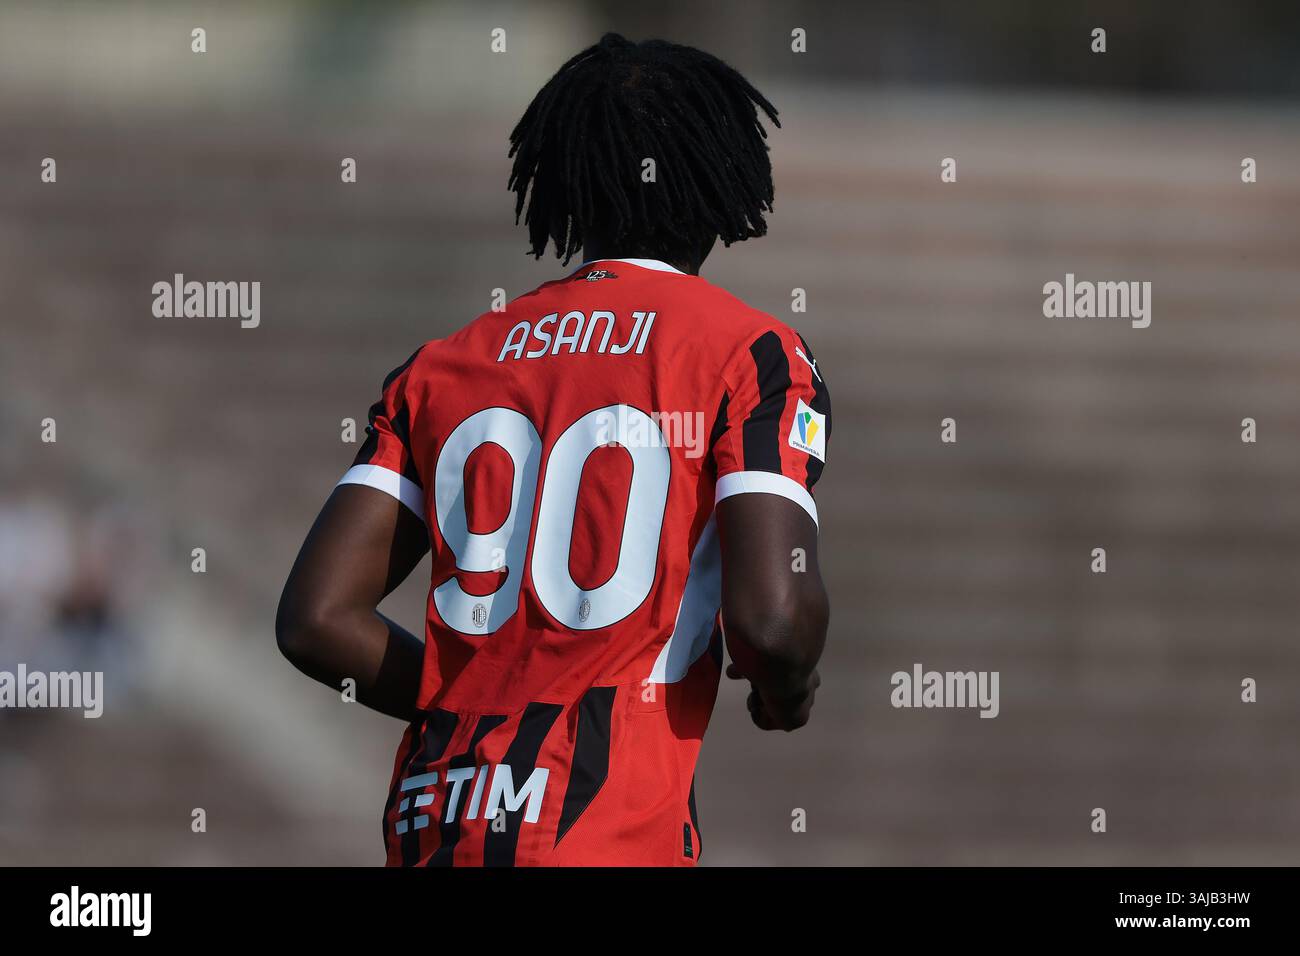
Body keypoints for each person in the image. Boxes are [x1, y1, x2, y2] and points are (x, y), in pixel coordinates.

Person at [277, 33, 830, 866]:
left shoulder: (445, 364)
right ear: (725, 182)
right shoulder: (748, 353)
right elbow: (774, 622)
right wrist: (788, 692)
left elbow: (317, 619)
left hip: (439, 823)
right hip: (608, 827)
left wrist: (465, 710)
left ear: (566, 182)